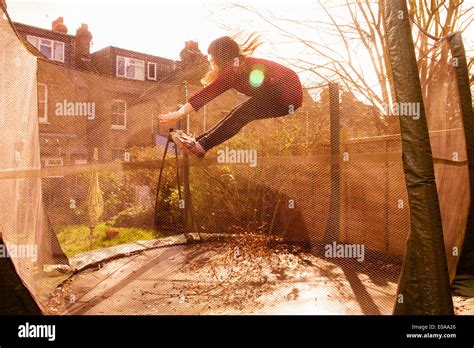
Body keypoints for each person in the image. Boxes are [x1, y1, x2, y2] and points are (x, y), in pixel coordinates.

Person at [158, 34, 304, 158]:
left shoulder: (234, 69)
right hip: (283, 95)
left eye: (212, 55)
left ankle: (200, 146)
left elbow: (208, 93)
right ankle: (198, 143)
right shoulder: (238, 65)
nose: (210, 60)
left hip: (285, 92)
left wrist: (178, 113)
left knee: (243, 113)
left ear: (221, 55)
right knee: (240, 112)